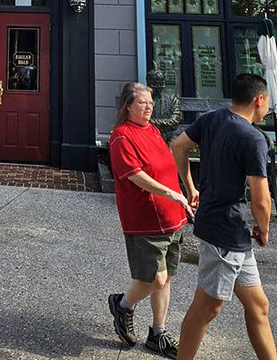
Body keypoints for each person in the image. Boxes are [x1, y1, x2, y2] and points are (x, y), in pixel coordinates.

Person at [171, 73, 277, 360]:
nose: (268, 106)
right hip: (225, 231)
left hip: (229, 229)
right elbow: (261, 199)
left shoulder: (212, 119)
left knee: (258, 305)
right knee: (207, 308)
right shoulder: (253, 138)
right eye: (268, 100)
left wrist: (190, 186)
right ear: (259, 99)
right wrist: (264, 229)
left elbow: (178, 145)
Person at [108, 81, 192, 358]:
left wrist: (187, 191)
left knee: (166, 279)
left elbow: (167, 165)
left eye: (151, 103)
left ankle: (158, 333)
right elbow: (135, 175)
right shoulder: (121, 137)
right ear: (127, 106)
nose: (149, 106)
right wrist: (171, 193)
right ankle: (123, 304)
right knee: (155, 279)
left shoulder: (153, 130)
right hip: (145, 221)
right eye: (142, 102)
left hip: (173, 218)